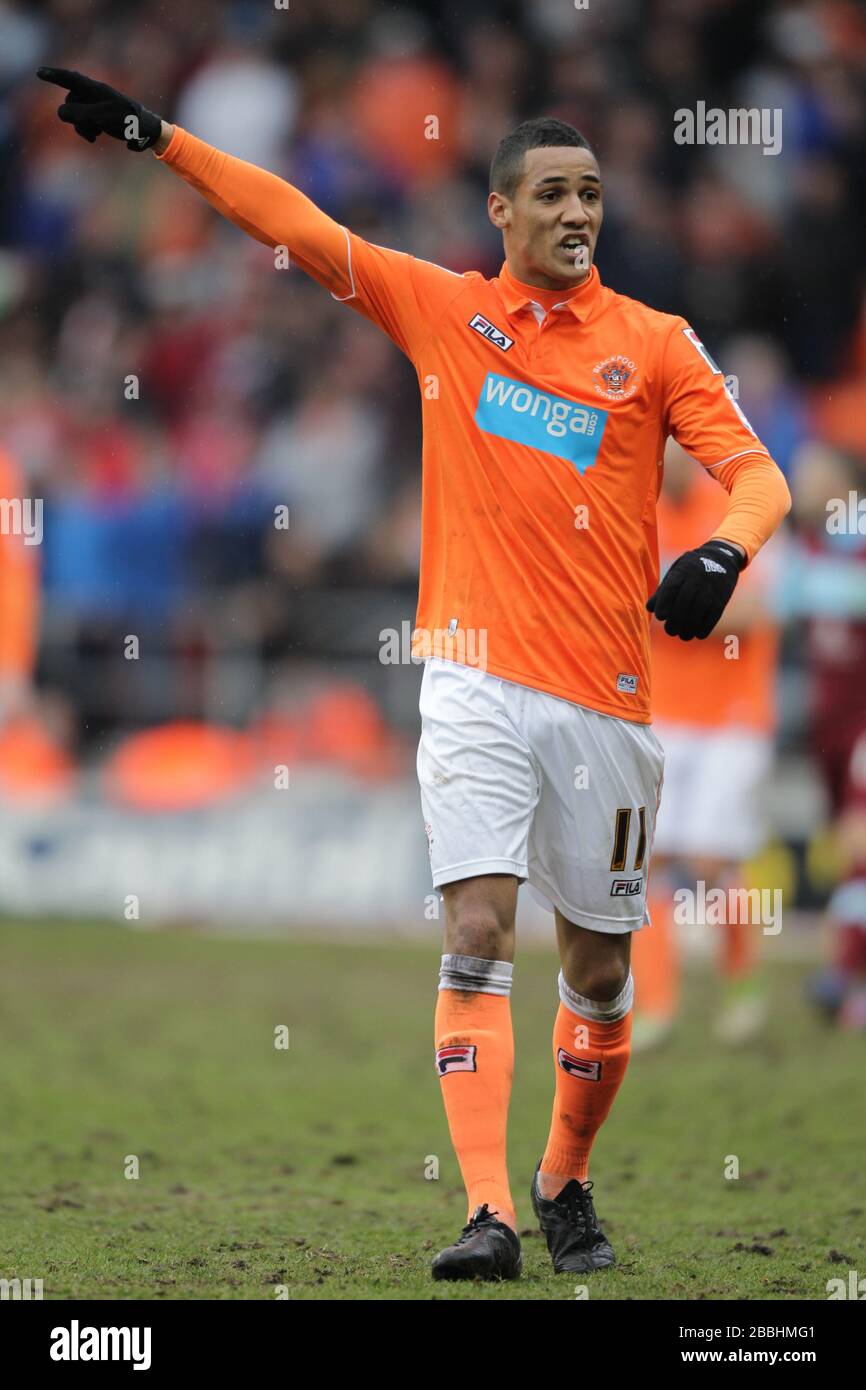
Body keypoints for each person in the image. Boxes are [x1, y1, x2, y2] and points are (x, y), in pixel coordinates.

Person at [36, 68, 792, 1281]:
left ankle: (562, 1180)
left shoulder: (652, 345)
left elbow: (760, 478)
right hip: (472, 677)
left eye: (590, 193)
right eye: (549, 193)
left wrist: (719, 547)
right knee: (478, 927)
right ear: (500, 212)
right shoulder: (442, 310)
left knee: (599, 973)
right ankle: (488, 1212)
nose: (575, 212)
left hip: (606, 696)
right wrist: (159, 138)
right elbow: (296, 225)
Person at [631, 441, 781, 1050]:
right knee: (652, 862)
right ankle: (658, 1006)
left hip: (732, 716)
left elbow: (755, 609)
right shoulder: (633, 511)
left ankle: (742, 984)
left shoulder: (735, 509)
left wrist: (668, 610)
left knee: (715, 862)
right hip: (662, 709)